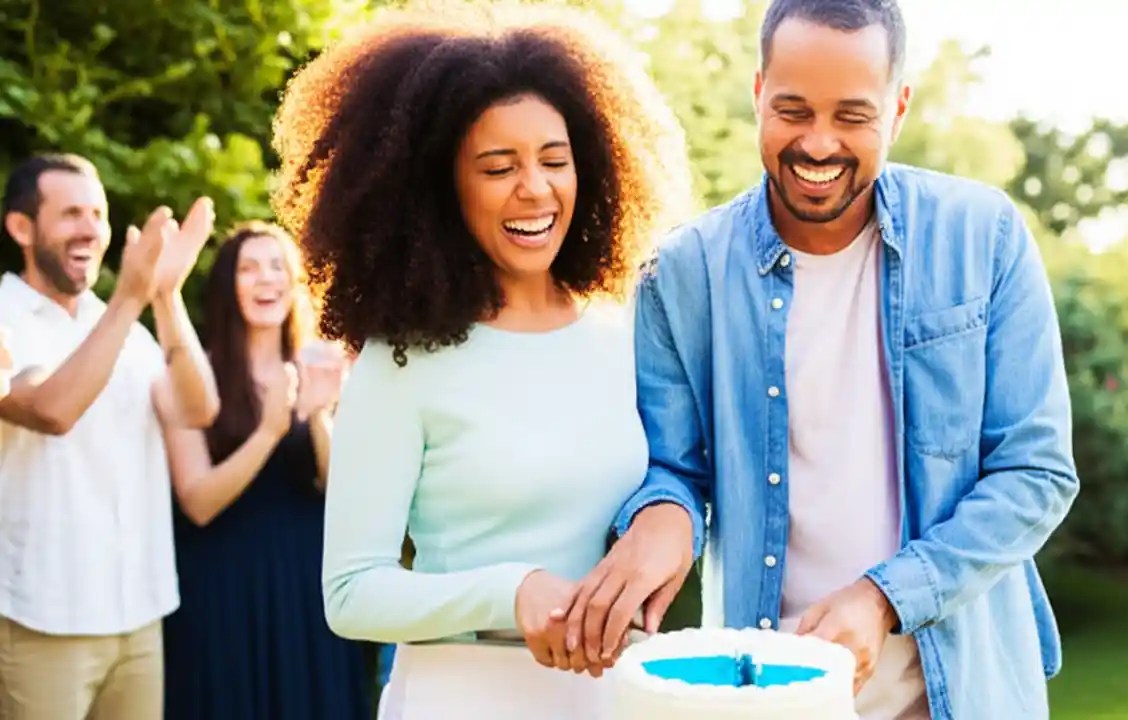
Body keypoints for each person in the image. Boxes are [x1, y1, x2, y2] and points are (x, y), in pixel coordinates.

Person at [565, 1, 1080, 719]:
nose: (817, 143)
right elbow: (675, 470)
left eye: (852, 116)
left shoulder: (983, 237)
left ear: (898, 109)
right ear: (757, 95)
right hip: (767, 696)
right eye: (793, 110)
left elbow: (1036, 472)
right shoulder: (683, 273)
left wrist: (884, 598)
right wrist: (660, 516)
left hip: (961, 691)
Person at [269, 3, 691, 719]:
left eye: (555, 161)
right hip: (460, 696)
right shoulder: (402, 362)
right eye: (499, 167)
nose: (535, 188)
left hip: (611, 699)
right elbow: (350, 594)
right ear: (442, 188)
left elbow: (676, 475)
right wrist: (512, 592)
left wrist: (672, 518)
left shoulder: (625, 333)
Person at [0, 153, 220, 719]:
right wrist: (129, 298)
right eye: (71, 213)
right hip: (41, 620)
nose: (91, 229)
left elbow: (197, 408)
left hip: (139, 615)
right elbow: (52, 411)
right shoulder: (6, 317)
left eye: (97, 214)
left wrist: (166, 297)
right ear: (22, 228)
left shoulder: (128, 330)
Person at [158, 222, 369, 719]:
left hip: (304, 585)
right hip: (222, 585)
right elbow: (198, 502)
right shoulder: (195, 375)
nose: (265, 279)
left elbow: (342, 492)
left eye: (278, 266)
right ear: (227, 286)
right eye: (248, 268)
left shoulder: (325, 363)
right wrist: (268, 433)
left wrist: (318, 414)